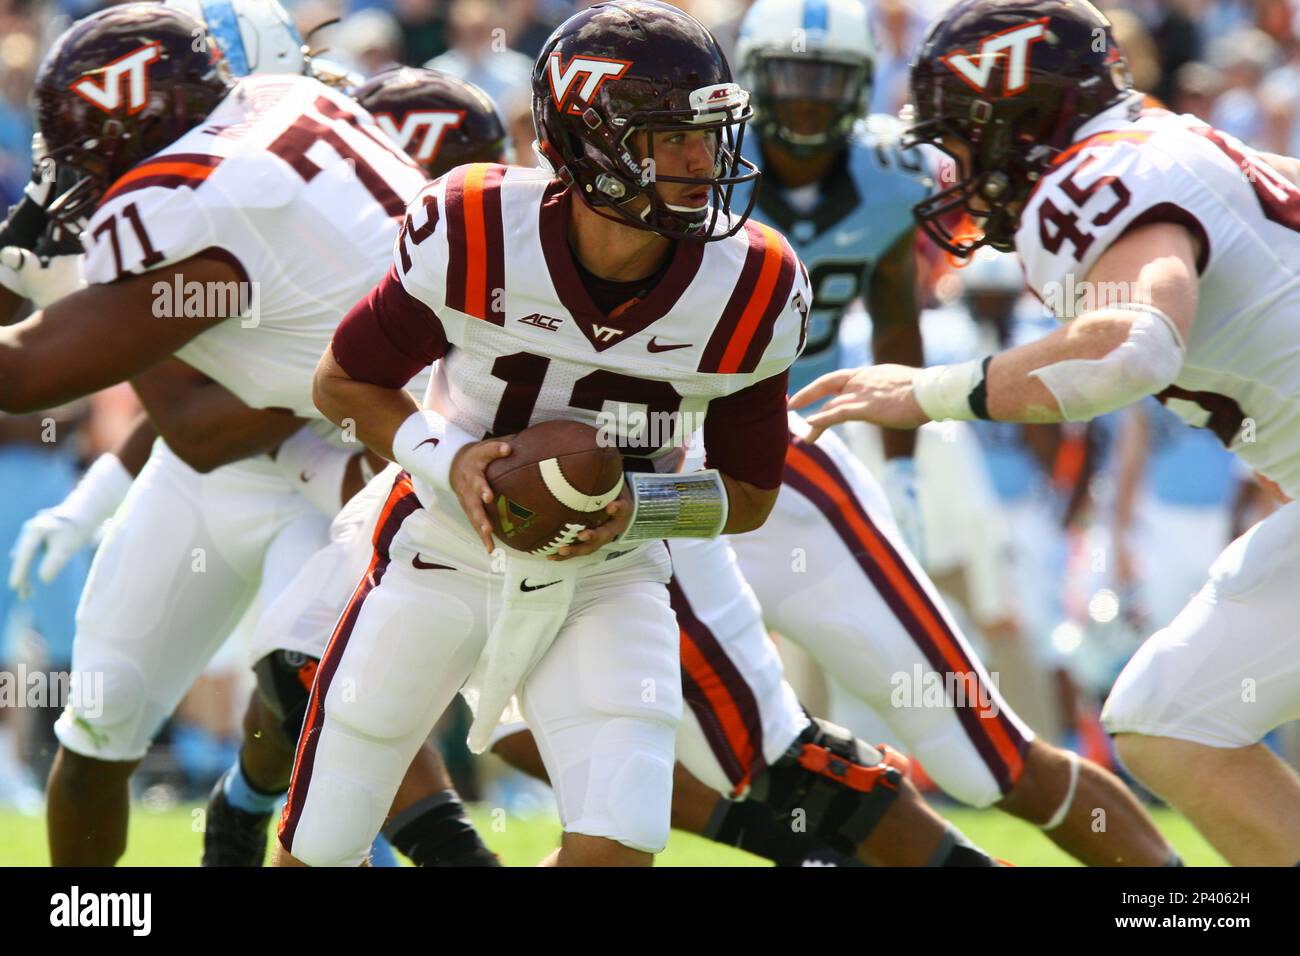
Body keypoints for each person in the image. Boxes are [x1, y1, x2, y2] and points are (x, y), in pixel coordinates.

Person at [277, 0, 1006, 869]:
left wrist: (635, 507)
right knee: (322, 842)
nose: (704, 161)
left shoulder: (753, 282)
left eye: (709, 133)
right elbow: (342, 381)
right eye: (672, 137)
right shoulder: (474, 226)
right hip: (443, 541)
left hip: (609, 572)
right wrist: (450, 458)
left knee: (621, 843)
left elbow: (747, 498)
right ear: (591, 139)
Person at [794, 0, 1300, 867]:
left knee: (1172, 715)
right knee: (1169, 714)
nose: (951, 164)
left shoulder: (1089, 180)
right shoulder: (1185, 140)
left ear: (1015, 120)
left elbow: (1131, 343)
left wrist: (930, 392)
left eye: (956, 136)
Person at [0, 2, 432, 865]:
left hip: (345, 466)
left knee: (312, 694)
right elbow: (189, 412)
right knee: (107, 717)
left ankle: (241, 818)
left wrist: (338, 391)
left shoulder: (213, 189)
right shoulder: (295, 136)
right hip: (287, 455)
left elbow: (173, 408)